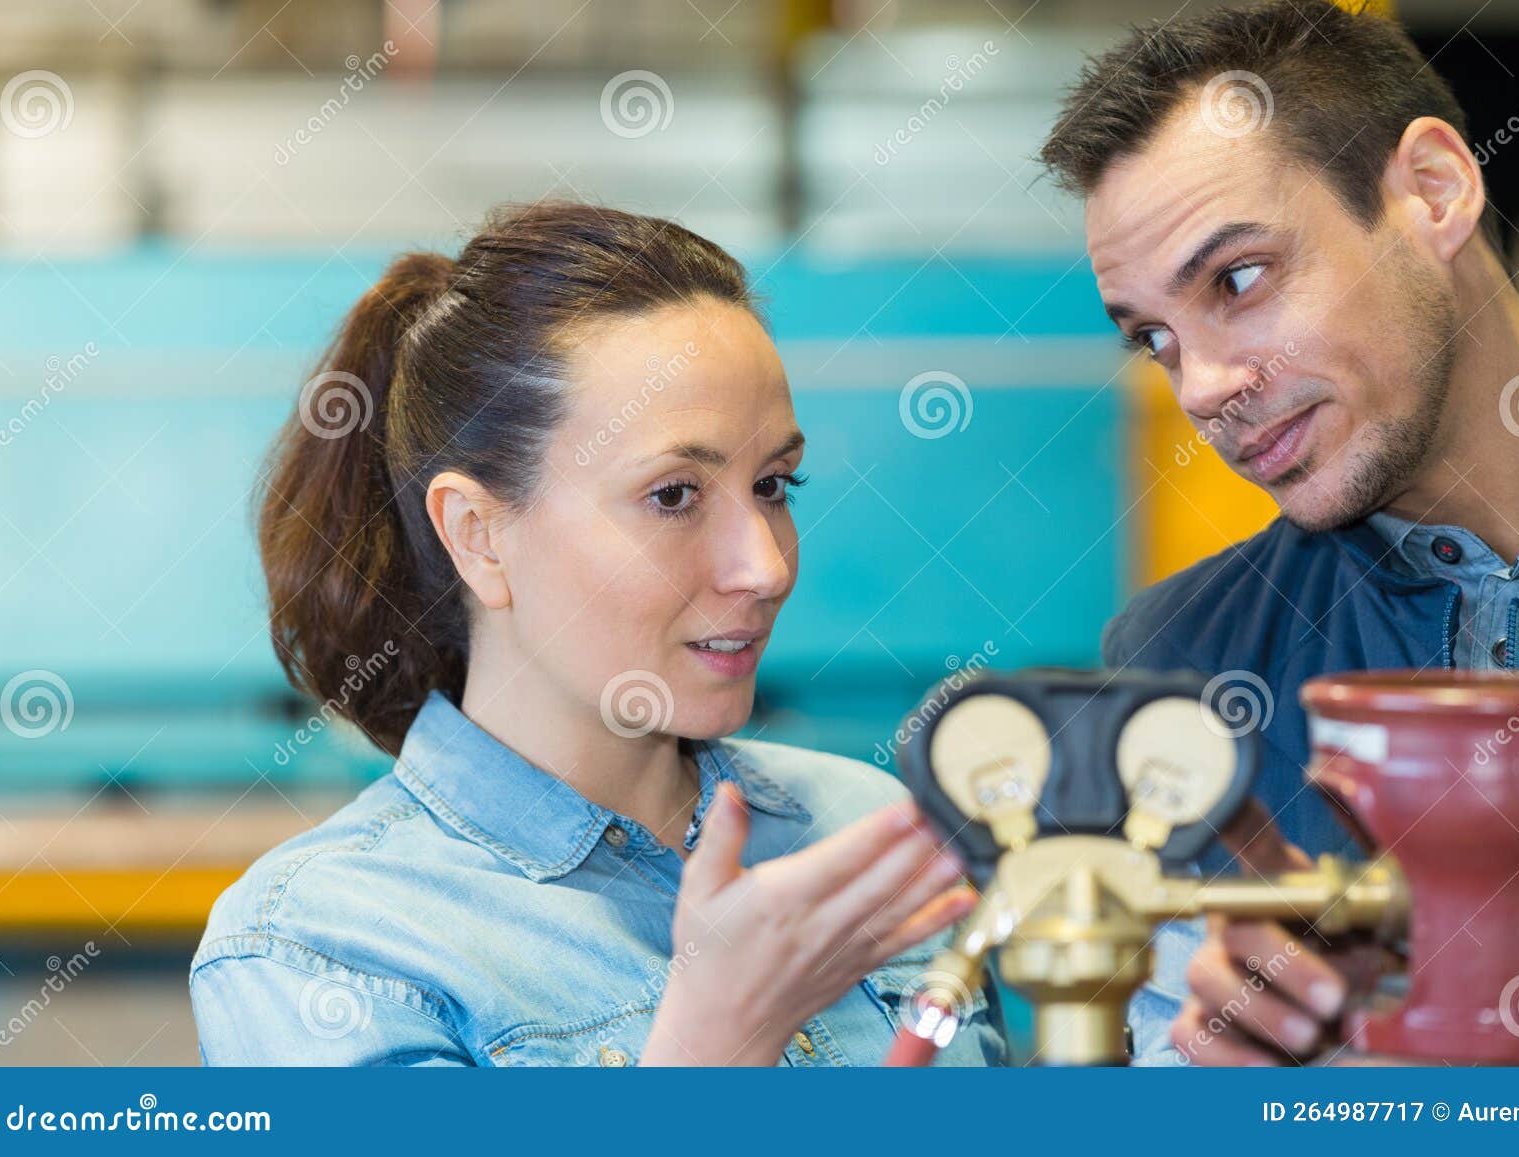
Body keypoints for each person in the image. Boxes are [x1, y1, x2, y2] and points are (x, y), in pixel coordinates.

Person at [189, 201, 1007, 1067]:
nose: (764, 567)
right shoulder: (323, 947)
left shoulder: (872, 833)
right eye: (674, 495)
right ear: (477, 533)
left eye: (773, 484)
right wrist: (716, 1046)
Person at [1040, 0, 1519, 1064]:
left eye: (1238, 279)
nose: (1202, 388)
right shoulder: (1179, 668)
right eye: (1153, 336)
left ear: (1433, 190)